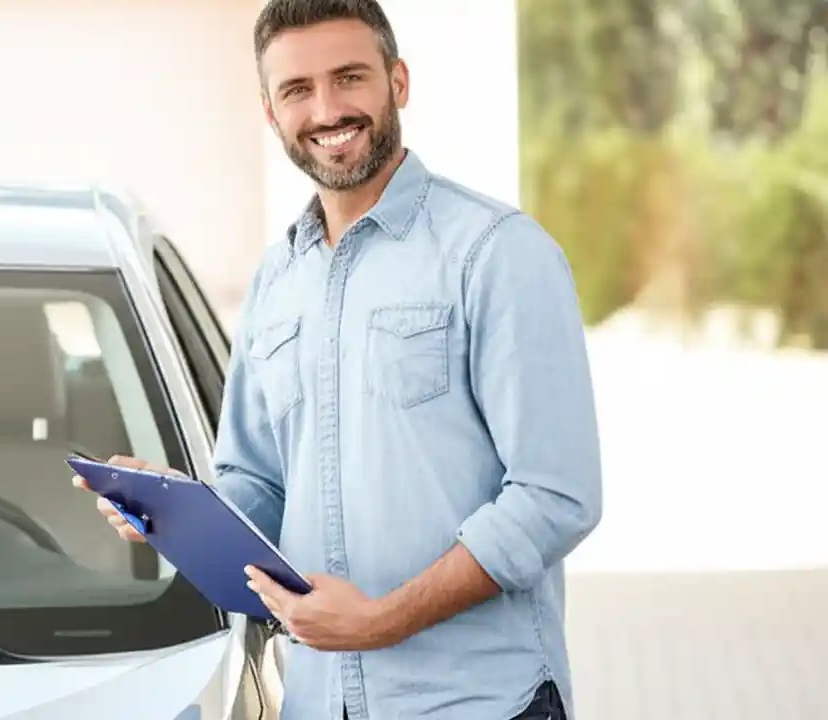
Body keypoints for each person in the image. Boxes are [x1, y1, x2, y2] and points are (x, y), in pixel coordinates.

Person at [73, 1, 602, 717]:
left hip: (478, 703)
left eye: (349, 77)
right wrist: (171, 507)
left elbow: (554, 496)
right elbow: (258, 485)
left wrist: (382, 621)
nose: (327, 109)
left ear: (399, 81)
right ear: (270, 111)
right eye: (297, 89)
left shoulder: (497, 253)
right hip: (321, 704)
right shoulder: (277, 280)